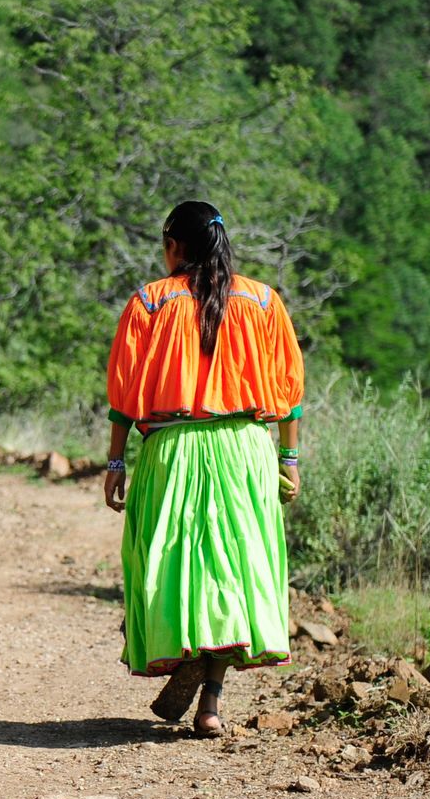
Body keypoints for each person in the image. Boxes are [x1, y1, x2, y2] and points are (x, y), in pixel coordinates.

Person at [103, 202, 304, 737]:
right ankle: (211, 701)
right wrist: (289, 458)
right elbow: (289, 393)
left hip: (173, 449)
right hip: (244, 449)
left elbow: (123, 393)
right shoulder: (263, 301)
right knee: (235, 567)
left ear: (174, 245)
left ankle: (187, 643)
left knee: (172, 561)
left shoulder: (149, 302)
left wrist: (116, 459)